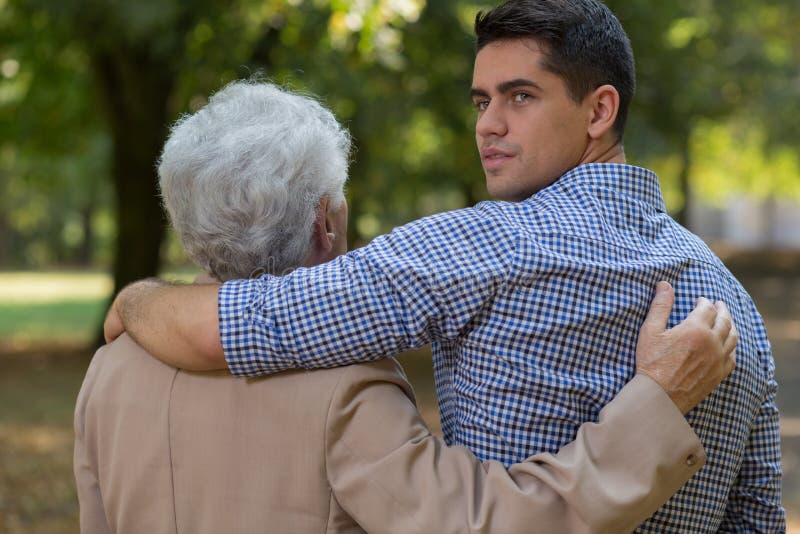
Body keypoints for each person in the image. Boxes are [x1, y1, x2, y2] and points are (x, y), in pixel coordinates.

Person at [105, 0, 785, 531]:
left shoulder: (475, 247)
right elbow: (755, 518)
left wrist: (134, 301)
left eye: (519, 97)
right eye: (481, 101)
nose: (488, 124)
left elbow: (251, 321)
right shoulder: (734, 308)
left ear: (599, 110)